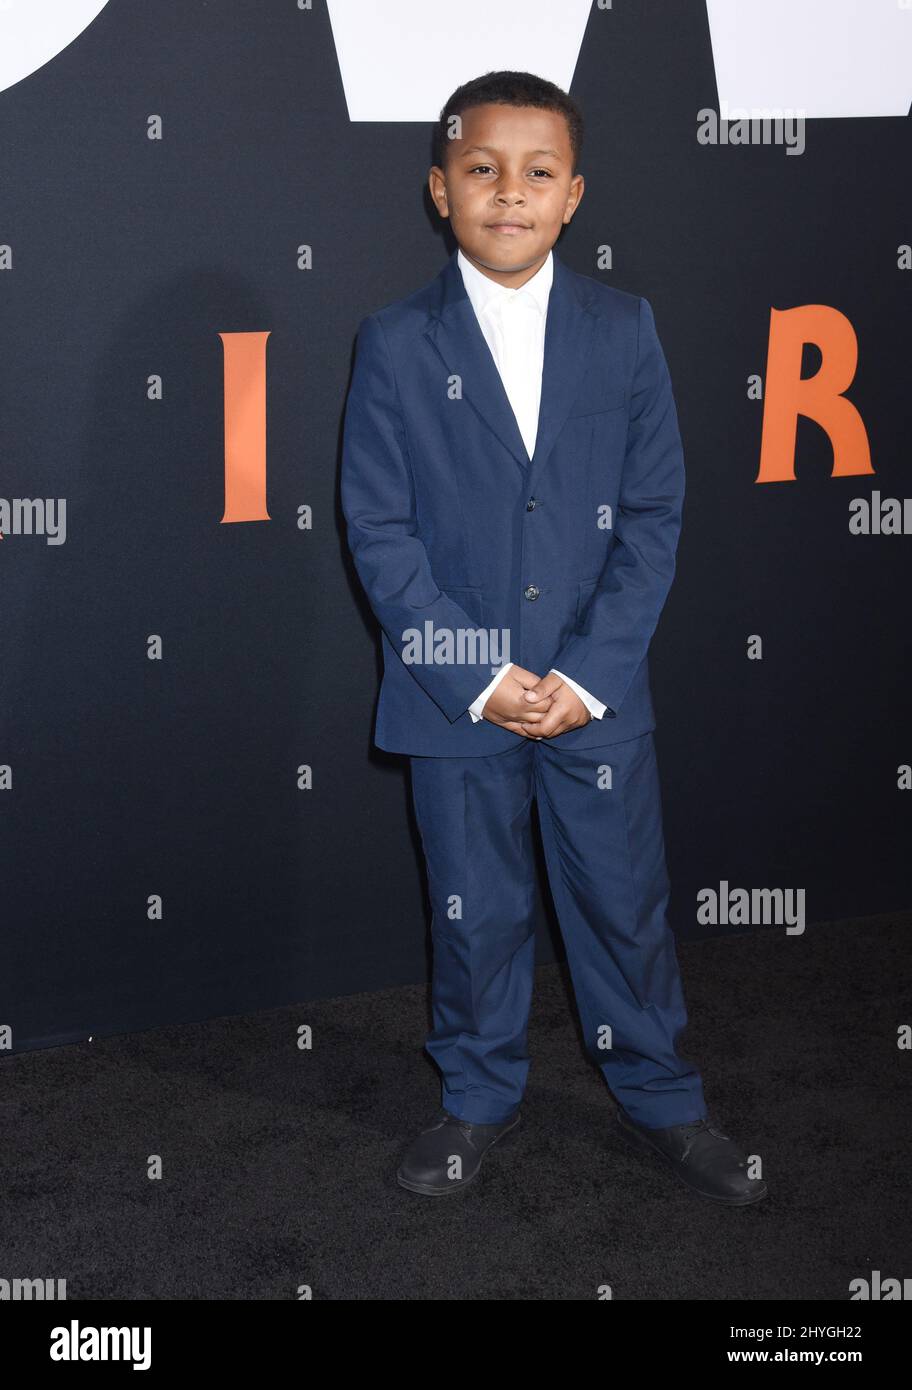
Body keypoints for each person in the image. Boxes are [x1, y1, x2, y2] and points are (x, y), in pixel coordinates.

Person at [341, 70, 767, 1206]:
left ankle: (664, 1098)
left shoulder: (625, 331)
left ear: (574, 196)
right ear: (442, 189)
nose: (509, 194)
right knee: (474, 910)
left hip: (596, 696)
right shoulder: (391, 342)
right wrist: (482, 677)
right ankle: (476, 1099)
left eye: (538, 174)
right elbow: (378, 533)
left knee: (623, 901)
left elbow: (654, 516)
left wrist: (585, 673)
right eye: (482, 170)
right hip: (454, 702)